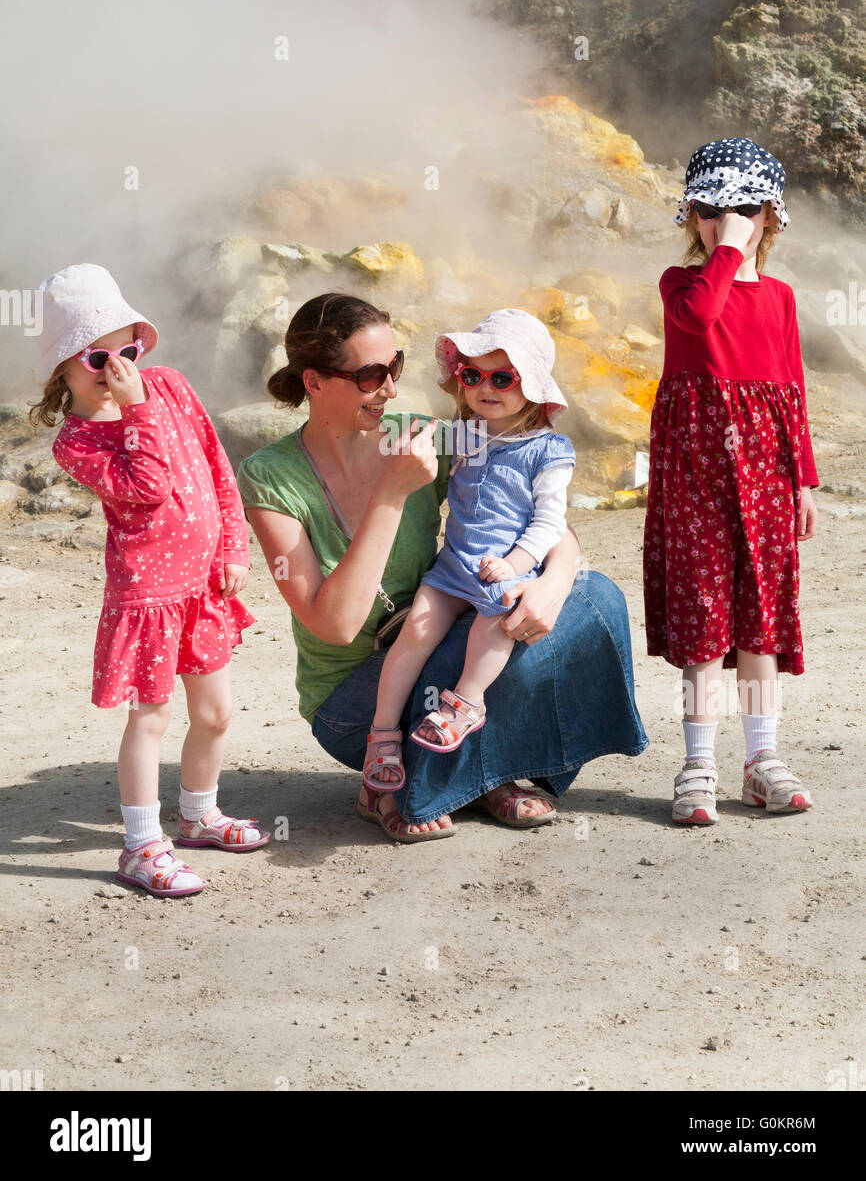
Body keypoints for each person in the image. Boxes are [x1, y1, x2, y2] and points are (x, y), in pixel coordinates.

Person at [237, 291, 648, 843]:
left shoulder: (419, 432)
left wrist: (552, 581)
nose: (390, 389)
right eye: (370, 375)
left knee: (591, 597)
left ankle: (475, 773)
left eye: (396, 367)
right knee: (486, 637)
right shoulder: (271, 475)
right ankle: (459, 774)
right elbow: (332, 624)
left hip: (442, 646)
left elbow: (537, 515)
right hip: (354, 705)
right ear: (313, 382)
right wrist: (391, 493)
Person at [33, 263, 270, 898]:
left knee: (216, 713)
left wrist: (234, 545)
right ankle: (140, 846)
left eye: (128, 350)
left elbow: (219, 469)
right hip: (148, 596)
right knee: (152, 718)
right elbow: (148, 486)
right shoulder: (77, 442)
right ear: (63, 368)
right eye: (97, 356)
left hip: (202, 586)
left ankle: (197, 814)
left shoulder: (169, 386)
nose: (118, 367)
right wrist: (135, 409)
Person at [643, 138, 818, 826]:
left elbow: (793, 389)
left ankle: (762, 757)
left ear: (771, 216)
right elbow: (700, 319)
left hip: (767, 471)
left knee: (759, 621)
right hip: (695, 469)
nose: (729, 220)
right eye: (713, 208)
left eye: (745, 208)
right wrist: (725, 252)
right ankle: (699, 762)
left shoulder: (779, 296)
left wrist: (803, 479)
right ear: (691, 216)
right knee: (704, 620)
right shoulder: (681, 284)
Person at [362, 309, 576, 797]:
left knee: (495, 625)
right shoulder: (465, 434)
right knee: (414, 632)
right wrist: (369, 430)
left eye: (504, 377)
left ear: (534, 388)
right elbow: (398, 437)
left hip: (502, 569)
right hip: (453, 567)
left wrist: (517, 565)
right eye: (472, 375)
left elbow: (551, 522)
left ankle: (467, 703)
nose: (486, 387)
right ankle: (382, 734)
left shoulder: (548, 450)